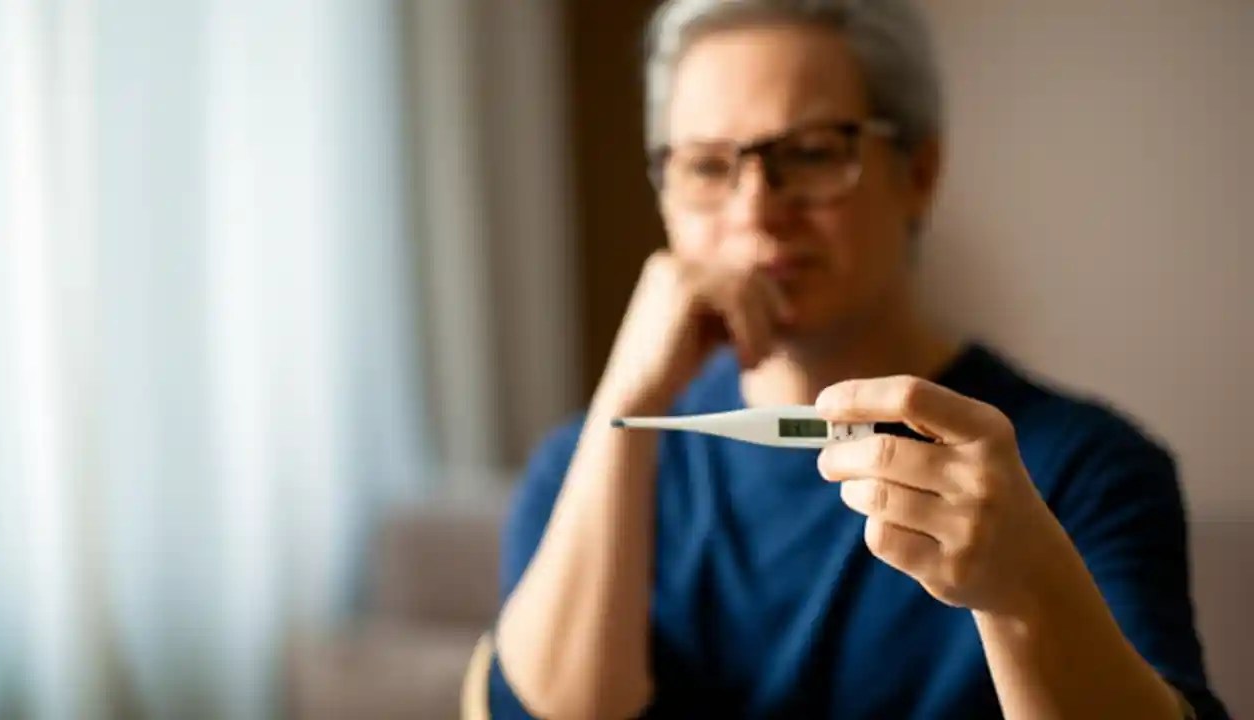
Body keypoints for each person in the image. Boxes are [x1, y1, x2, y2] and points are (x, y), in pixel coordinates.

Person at [486, 1, 1229, 717]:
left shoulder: (1084, 470)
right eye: (708, 168)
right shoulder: (582, 470)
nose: (754, 210)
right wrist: (627, 393)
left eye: (809, 155)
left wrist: (1027, 593)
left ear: (919, 172)